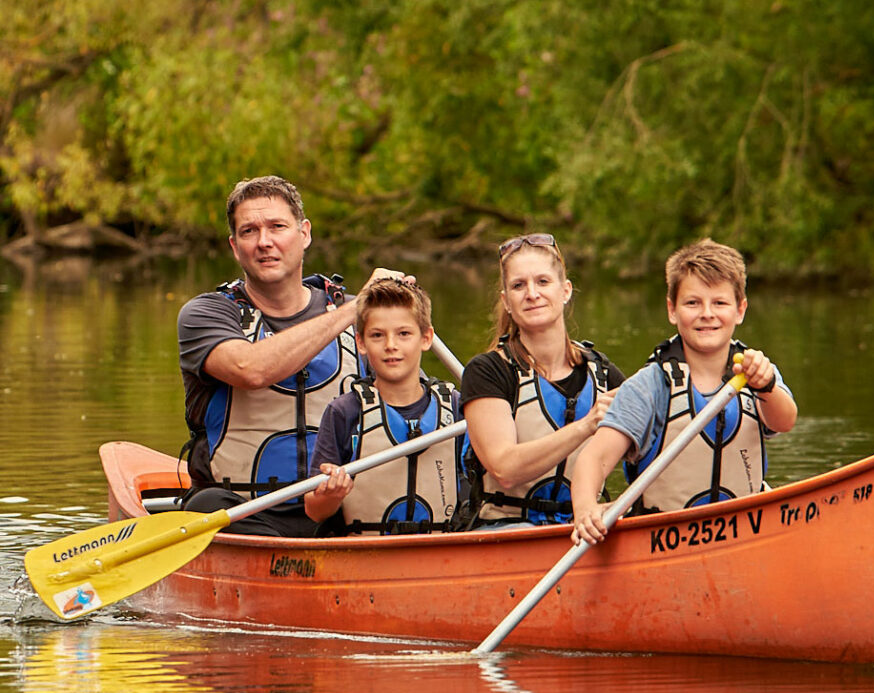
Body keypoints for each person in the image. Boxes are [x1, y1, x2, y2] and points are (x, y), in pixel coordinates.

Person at [177, 174, 412, 536]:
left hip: (339, 507)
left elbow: (411, 403)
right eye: (249, 231)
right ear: (234, 246)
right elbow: (250, 369)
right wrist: (357, 309)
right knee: (206, 507)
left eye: (277, 227)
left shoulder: (367, 318)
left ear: (304, 234)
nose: (264, 242)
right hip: (238, 511)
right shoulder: (204, 314)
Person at [571, 237, 797, 545]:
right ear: (672, 310)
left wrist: (767, 386)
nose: (707, 313)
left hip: (745, 537)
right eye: (693, 303)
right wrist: (585, 511)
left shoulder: (756, 372)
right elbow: (593, 459)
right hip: (665, 543)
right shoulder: (649, 386)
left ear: (740, 310)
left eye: (719, 303)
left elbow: (784, 421)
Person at [457, 232, 625, 528]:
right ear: (506, 301)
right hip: (508, 530)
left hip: (587, 525)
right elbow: (504, 467)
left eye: (543, 282)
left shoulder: (604, 374)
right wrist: (586, 425)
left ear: (566, 290)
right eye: (518, 286)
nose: (532, 294)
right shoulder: (487, 372)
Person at [304, 279, 463, 535]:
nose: (391, 345)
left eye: (404, 334)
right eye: (377, 335)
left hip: (440, 553)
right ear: (361, 343)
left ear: (426, 338)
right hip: (366, 555)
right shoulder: (344, 412)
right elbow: (314, 510)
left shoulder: (456, 406)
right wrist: (331, 496)